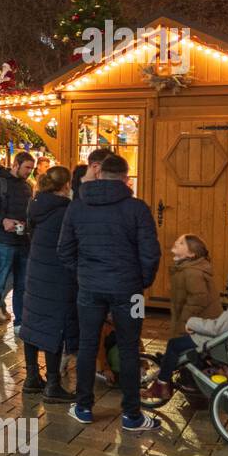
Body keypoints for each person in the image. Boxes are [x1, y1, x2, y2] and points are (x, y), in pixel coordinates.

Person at [58, 153, 161, 430]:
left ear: (99, 173)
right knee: (129, 347)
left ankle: (83, 406)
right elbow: (151, 253)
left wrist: (82, 274)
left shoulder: (77, 207)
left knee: (88, 345)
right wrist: (142, 282)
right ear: (126, 179)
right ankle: (132, 414)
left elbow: (64, 250)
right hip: (131, 292)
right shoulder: (137, 209)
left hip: (89, 289)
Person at [17, 165, 77, 401]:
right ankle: (53, 384)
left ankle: (32, 378)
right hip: (57, 275)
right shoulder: (66, 211)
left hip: (36, 272)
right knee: (55, 326)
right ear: (65, 186)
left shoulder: (36, 205)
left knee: (32, 324)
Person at [0, 151, 35, 339]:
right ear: (16, 165)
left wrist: (26, 225)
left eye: (31, 168)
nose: (29, 171)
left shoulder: (28, 187)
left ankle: (19, 322)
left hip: (23, 242)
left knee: (22, 285)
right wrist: (3, 221)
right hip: (3, 242)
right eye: (27, 167)